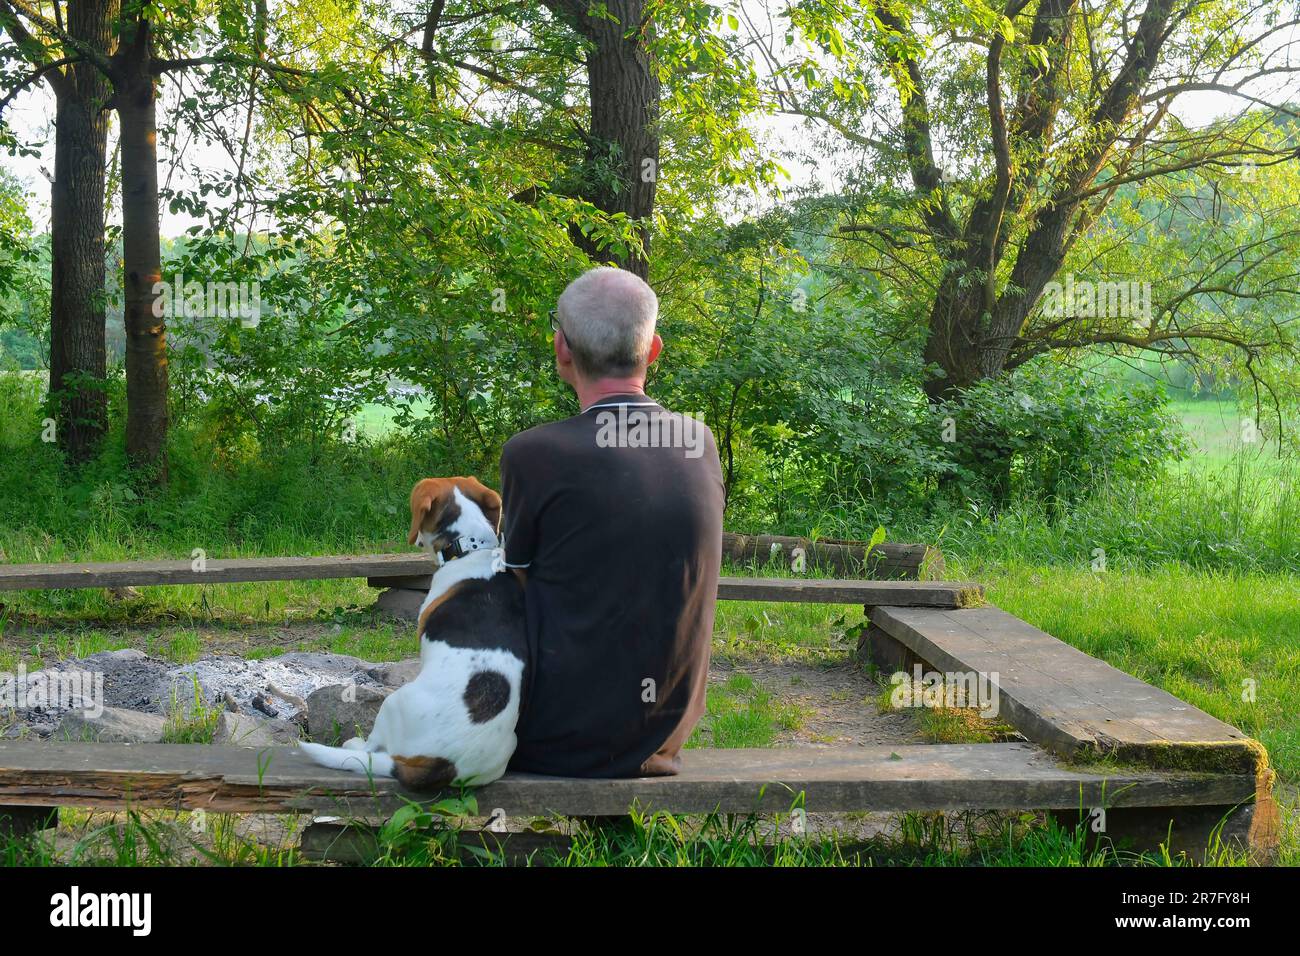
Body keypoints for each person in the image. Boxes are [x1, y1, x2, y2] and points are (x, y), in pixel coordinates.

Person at [499, 266, 724, 777]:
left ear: (562, 349)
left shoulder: (532, 453)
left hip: (556, 744)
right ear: (654, 351)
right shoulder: (699, 443)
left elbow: (515, 584)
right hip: (663, 740)